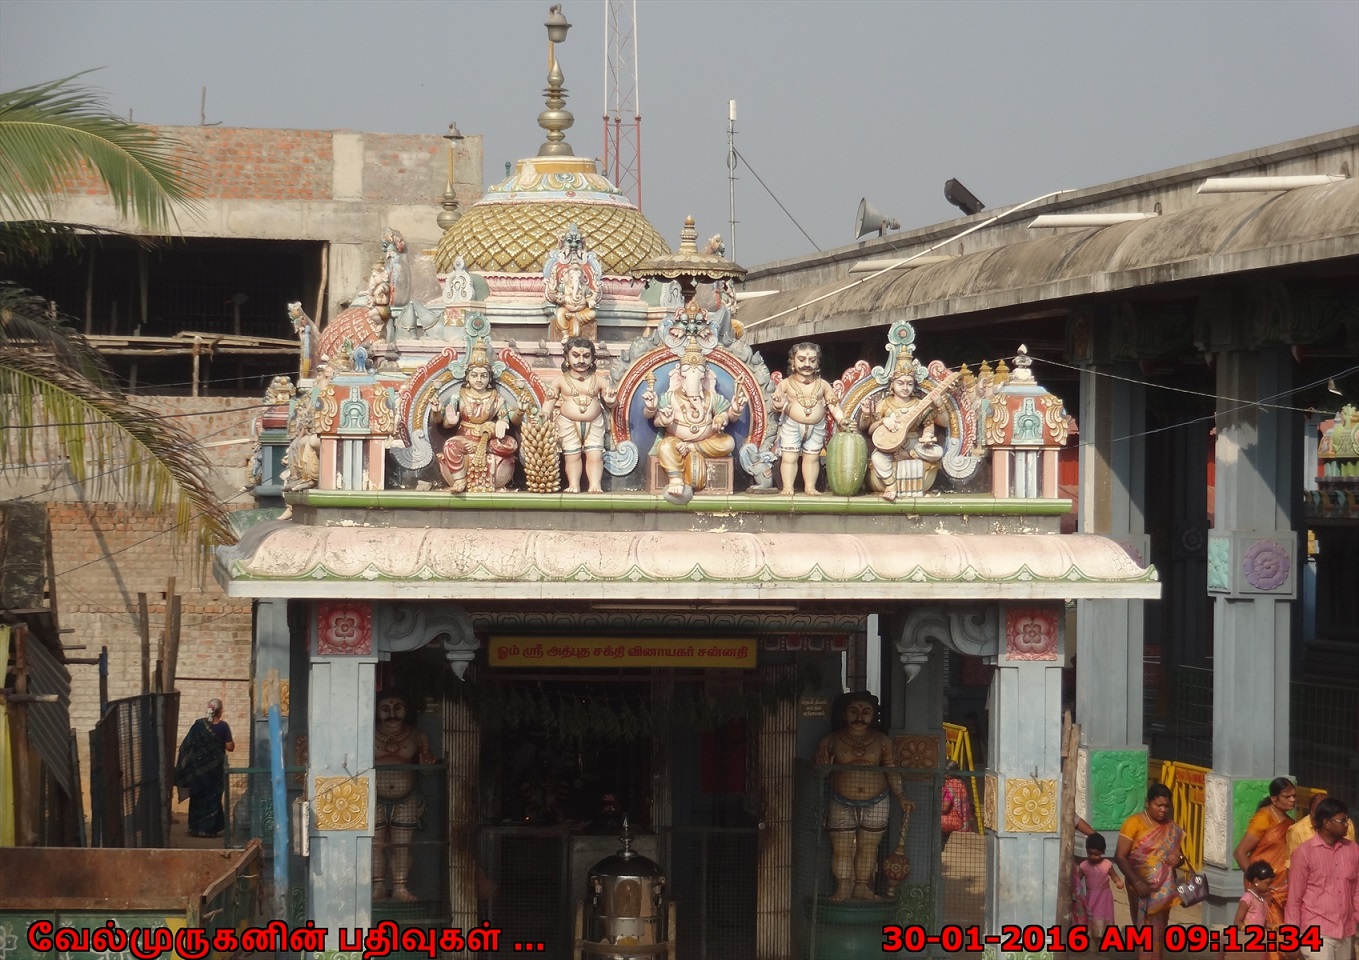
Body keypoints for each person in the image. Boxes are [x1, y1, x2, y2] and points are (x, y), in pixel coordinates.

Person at [814, 691, 913, 902]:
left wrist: (901, 796)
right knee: (841, 848)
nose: (859, 716)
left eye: (866, 712)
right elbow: (820, 772)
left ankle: (861, 886)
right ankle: (843, 887)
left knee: (869, 847)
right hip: (841, 799)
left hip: (877, 799)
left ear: (873, 715)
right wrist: (824, 767)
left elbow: (890, 769)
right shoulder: (831, 741)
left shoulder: (882, 741)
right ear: (844, 713)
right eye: (854, 711)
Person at [643, 338, 747, 504]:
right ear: (679, 377)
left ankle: (692, 448)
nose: (691, 381)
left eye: (697, 377)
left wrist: (731, 412)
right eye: (686, 376)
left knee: (728, 443)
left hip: (705, 442)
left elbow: (728, 415)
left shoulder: (712, 397)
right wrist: (661, 417)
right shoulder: (670, 397)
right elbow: (654, 419)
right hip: (676, 442)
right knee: (665, 446)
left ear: (704, 377)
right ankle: (675, 478)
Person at [373, 690, 435, 902]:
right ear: (377, 711)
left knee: (402, 845)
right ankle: (378, 886)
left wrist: (427, 765)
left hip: (407, 797)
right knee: (375, 845)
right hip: (374, 797)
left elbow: (426, 770)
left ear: (406, 710)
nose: (392, 713)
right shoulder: (367, 734)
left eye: (397, 707)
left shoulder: (417, 736)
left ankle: (400, 887)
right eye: (385, 709)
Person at [860, 358, 948, 501]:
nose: (905, 387)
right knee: (877, 457)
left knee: (937, 451)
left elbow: (933, 424)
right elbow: (870, 430)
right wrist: (883, 420)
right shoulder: (885, 404)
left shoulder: (919, 404)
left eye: (910, 384)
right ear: (892, 385)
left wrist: (928, 434)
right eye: (900, 383)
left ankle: (907, 456)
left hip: (913, 444)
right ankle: (890, 484)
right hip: (889, 446)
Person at [437, 341, 520, 493]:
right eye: (474, 375)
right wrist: (448, 420)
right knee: (450, 446)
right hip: (464, 438)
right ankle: (460, 481)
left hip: (487, 439)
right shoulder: (458, 396)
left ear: (489, 378)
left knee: (511, 444)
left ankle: (479, 449)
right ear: (467, 377)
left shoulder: (496, 398)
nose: (479, 380)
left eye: (484, 376)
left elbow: (507, 417)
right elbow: (443, 422)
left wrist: (504, 420)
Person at [1115, 783, 1185, 960]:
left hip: (1163, 891)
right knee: (1144, 931)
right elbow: (1120, 856)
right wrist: (1137, 882)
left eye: (1166, 806)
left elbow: (1181, 858)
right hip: (1140, 886)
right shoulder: (1134, 823)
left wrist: (1179, 859)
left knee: (1158, 932)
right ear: (1148, 803)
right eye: (1158, 805)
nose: (1162, 810)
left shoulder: (1172, 828)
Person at [1283, 797, 1359, 960]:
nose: (1347, 824)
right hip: (1315, 930)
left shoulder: (1352, 850)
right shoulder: (1304, 853)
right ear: (1326, 823)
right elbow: (1294, 898)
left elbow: (1357, 889)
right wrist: (1291, 939)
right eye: (1342, 820)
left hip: (1345, 931)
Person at [770, 342, 845, 496]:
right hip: (791, 424)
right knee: (789, 457)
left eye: (812, 360)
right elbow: (774, 404)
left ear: (817, 362)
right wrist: (778, 404)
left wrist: (841, 418)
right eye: (802, 359)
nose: (807, 364)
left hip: (816, 426)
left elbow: (833, 404)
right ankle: (788, 487)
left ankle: (810, 487)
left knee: (812, 458)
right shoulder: (786, 383)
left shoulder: (823, 384)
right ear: (792, 361)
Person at [541, 337, 615, 493]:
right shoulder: (560, 381)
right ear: (567, 358)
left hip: (594, 422)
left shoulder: (600, 381)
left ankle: (595, 485)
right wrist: (544, 415)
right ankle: (573, 484)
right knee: (571, 455)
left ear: (593, 359)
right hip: (568, 422)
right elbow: (550, 401)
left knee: (595, 454)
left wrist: (611, 400)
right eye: (576, 355)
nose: (581, 360)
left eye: (586, 356)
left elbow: (611, 403)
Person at [1233, 777, 1296, 949]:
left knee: (1281, 936)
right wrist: (1260, 884)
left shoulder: (1290, 823)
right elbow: (1239, 853)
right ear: (1274, 799)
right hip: (1263, 890)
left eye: (1294, 796)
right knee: (1270, 940)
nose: (1293, 800)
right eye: (1287, 796)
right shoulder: (1263, 818)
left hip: (1282, 891)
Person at [174, 698, 234, 838]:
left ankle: (195, 829)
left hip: (197, 772)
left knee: (197, 797)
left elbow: (186, 747)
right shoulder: (223, 727)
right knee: (212, 799)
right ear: (220, 711)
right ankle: (208, 830)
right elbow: (229, 747)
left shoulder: (198, 725)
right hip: (215, 771)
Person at [1074, 832, 1124, 942]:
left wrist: (1118, 882)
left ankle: (1103, 942)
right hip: (1091, 897)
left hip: (1104, 897)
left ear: (1103, 852)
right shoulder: (1084, 865)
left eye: (1096, 854)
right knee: (1092, 918)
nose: (1093, 857)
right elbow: (1077, 880)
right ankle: (1092, 943)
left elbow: (1114, 875)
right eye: (1090, 853)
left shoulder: (1107, 864)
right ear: (1086, 850)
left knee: (1103, 917)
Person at [1288, 792, 1356, 866]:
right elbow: (1293, 866)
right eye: (1317, 816)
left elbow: (1353, 859)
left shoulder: (1346, 824)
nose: (1320, 821)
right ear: (1311, 812)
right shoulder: (1297, 830)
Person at [1235, 860, 1275, 950]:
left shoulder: (1262, 900)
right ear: (1256, 881)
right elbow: (1237, 922)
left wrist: (1274, 926)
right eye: (1267, 884)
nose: (1269, 887)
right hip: (1247, 941)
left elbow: (1261, 921)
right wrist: (1248, 929)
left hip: (1258, 941)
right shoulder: (1248, 898)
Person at [940, 758, 973, 849]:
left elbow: (944, 808)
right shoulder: (961, 783)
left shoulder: (950, 785)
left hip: (952, 820)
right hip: (962, 820)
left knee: (933, 819)